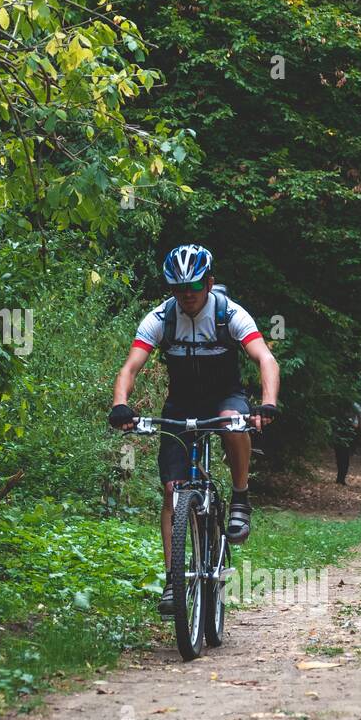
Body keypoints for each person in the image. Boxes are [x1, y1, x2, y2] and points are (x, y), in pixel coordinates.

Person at [109, 244, 281, 615]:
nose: (187, 294)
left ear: (210, 282)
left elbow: (265, 357)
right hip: (181, 404)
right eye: (178, 287)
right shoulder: (161, 318)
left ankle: (239, 497)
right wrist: (120, 403)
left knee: (233, 423)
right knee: (172, 492)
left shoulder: (229, 314)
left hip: (225, 396)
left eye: (195, 285)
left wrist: (267, 403)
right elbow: (130, 367)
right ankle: (174, 580)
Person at [332, 402, 360, 484]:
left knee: (343, 461)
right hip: (340, 442)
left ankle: (341, 478)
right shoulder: (338, 420)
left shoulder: (348, 421)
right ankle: (340, 478)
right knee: (341, 461)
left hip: (345, 442)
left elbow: (354, 429)